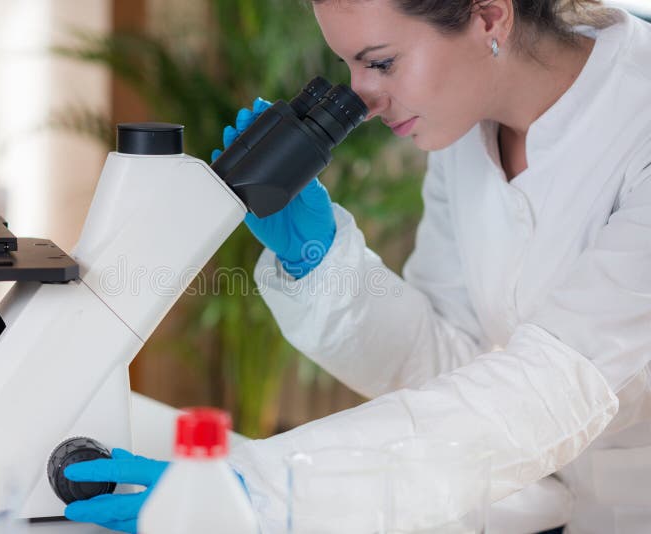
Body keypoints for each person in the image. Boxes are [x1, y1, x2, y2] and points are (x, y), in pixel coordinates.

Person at [62, 1, 651, 532]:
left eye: (383, 63)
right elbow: (446, 365)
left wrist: (260, 489)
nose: (363, 98)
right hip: (547, 502)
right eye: (351, 66)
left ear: (490, 17)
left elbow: (556, 386)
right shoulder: (466, 131)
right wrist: (319, 265)